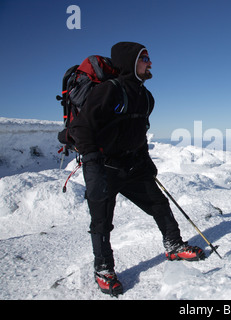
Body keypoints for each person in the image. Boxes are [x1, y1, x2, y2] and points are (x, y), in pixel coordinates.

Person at [69, 41, 205, 297]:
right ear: (130, 62)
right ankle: (103, 269)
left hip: (132, 164)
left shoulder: (145, 96)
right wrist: (92, 164)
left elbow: (138, 132)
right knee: (101, 222)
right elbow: (82, 128)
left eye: (148, 58)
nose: (150, 62)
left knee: (158, 203)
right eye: (144, 58)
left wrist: (145, 159)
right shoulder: (109, 90)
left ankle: (173, 245)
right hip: (103, 166)